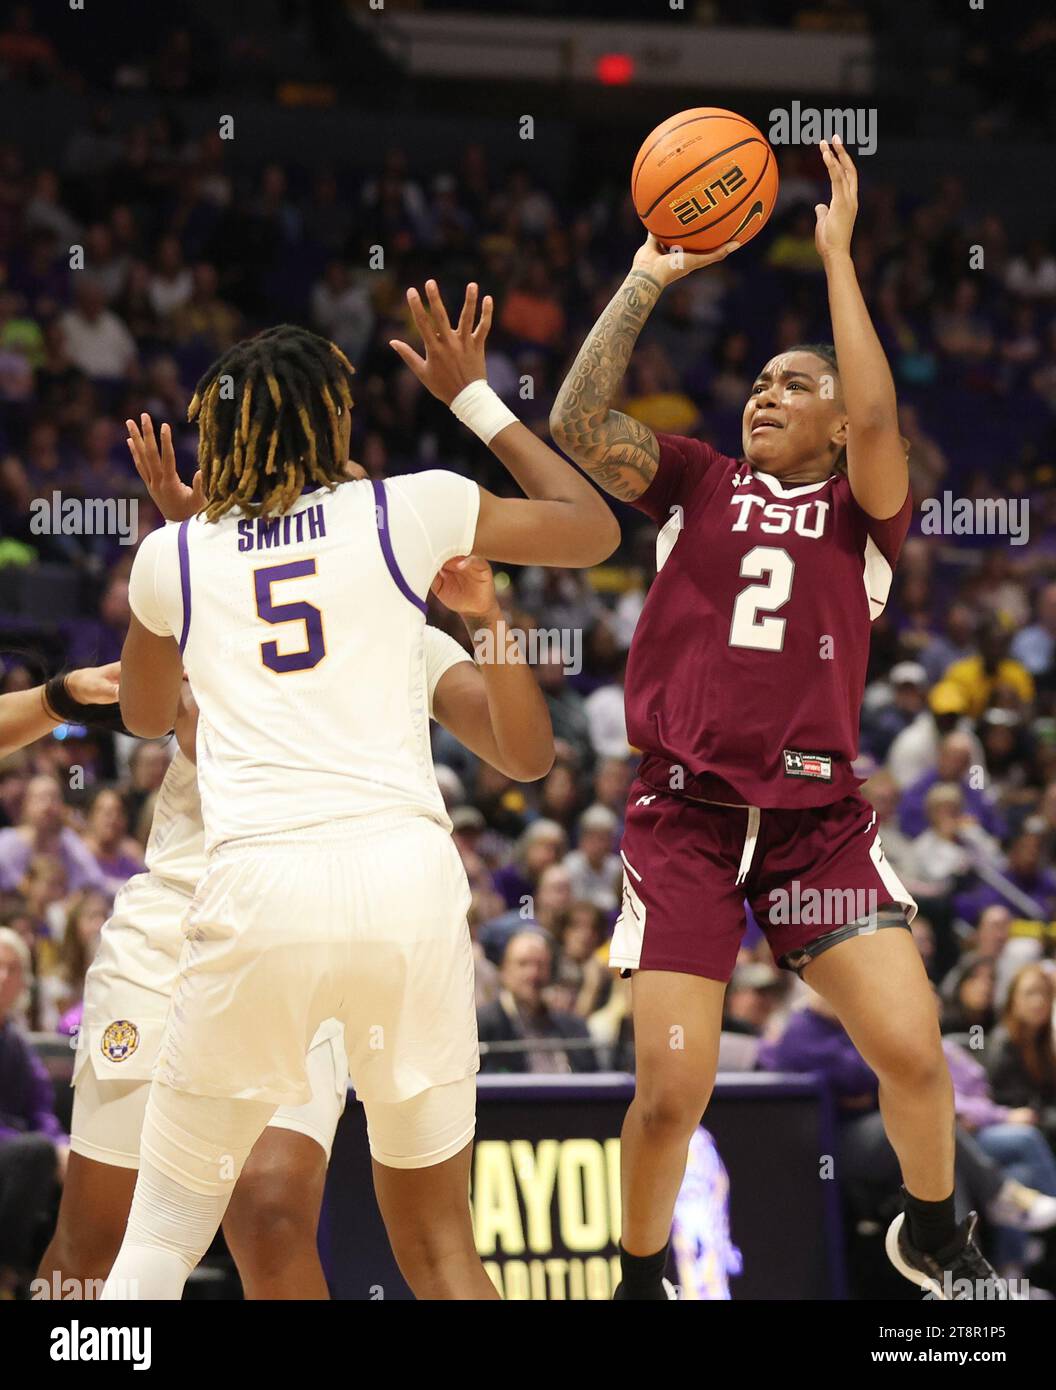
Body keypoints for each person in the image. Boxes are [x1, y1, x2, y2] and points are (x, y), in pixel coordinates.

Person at [551, 135, 1002, 1298]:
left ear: (835, 421)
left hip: (814, 825)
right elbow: (577, 422)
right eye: (757, 382)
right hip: (687, 816)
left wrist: (837, 255)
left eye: (791, 385)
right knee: (671, 1089)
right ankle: (641, 1275)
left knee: (913, 1051)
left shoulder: (868, 508)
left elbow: (876, 407)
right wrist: (650, 274)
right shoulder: (698, 479)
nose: (766, 395)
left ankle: (936, 1232)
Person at [102, 285, 618, 1301]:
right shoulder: (406, 509)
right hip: (405, 890)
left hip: (258, 894)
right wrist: (473, 399)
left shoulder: (177, 555)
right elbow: (591, 530)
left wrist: (185, 575)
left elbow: (145, 711)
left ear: (222, 441)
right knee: (438, 1246)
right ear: (334, 422)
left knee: (160, 1239)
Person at [39, 552, 555, 1300]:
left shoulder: (411, 639)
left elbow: (527, 754)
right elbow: (157, 717)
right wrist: (183, 551)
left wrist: (490, 622)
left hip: (307, 924)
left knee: (271, 1214)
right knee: (94, 1238)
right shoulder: (218, 585)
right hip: (177, 921)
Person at [0, 927, 67, 1297]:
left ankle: (70, 1280)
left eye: (13, 969)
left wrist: (61, 1145)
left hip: (18, 1149)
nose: (4, 978)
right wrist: (42, 1144)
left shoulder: (15, 1040)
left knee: (75, 1158)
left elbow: (40, 1105)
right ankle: (7, 1271)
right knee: (36, 1153)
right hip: (12, 1147)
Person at [477, 932, 599, 1075]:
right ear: (504, 970)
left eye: (540, 964)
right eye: (523, 964)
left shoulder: (574, 1027)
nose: (533, 973)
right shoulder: (483, 1024)